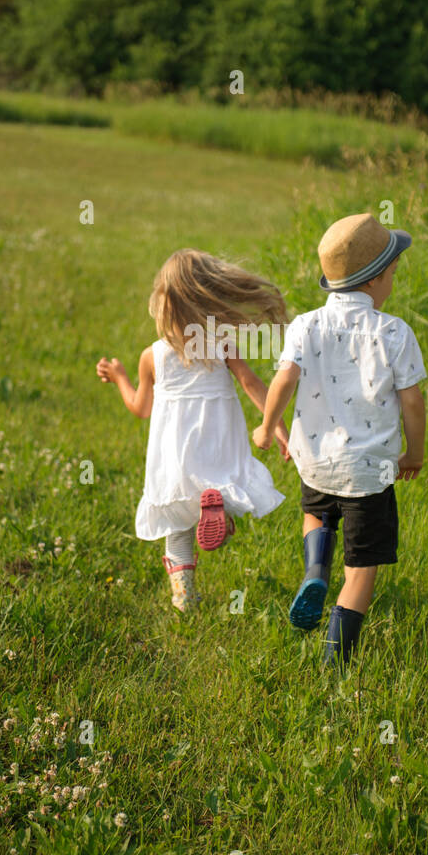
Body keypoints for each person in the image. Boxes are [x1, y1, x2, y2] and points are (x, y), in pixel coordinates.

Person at [253, 213, 426, 664]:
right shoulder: (395, 333)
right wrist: (416, 453)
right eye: (391, 273)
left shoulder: (305, 326)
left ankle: (315, 570)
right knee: (362, 568)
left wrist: (268, 427)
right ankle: (335, 658)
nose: (393, 281)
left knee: (316, 513)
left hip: (316, 462)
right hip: (370, 473)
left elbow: (284, 380)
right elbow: (413, 404)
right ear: (373, 282)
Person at [98, 248, 290, 612]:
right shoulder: (220, 343)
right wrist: (275, 426)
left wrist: (119, 377)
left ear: (163, 303)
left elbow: (141, 408)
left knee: (175, 522)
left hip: (175, 455)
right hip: (217, 445)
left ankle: (184, 597)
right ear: (208, 298)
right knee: (225, 484)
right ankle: (217, 510)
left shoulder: (151, 355)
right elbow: (251, 384)